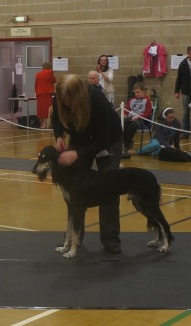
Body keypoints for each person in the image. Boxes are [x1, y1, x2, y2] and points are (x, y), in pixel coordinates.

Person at [50, 74, 124, 254]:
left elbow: (102, 139)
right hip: (81, 138)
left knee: (108, 188)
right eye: (63, 101)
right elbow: (57, 118)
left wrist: (76, 153)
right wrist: (59, 135)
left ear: (77, 96)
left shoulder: (97, 100)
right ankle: (74, 237)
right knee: (75, 188)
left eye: (69, 101)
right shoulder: (59, 96)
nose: (66, 104)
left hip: (108, 140)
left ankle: (110, 238)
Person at [121, 82, 153, 154]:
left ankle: (125, 144)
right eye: (135, 93)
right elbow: (126, 111)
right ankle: (126, 142)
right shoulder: (131, 100)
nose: (136, 94)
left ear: (143, 91)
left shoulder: (147, 100)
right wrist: (124, 116)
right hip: (130, 118)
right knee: (124, 122)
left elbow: (148, 113)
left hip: (141, 120)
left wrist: (138, 117)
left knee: (134, 124)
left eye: (138, 92)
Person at [34, 62, 56, 129]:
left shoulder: (38, 74)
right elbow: (54, 81)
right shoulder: (50, 72)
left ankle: (41, 125)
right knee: (47, 109)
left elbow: (36, 84)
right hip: (47, 93)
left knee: (40, 110)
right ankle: (46, 124)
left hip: (40, 93)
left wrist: (36, 92)